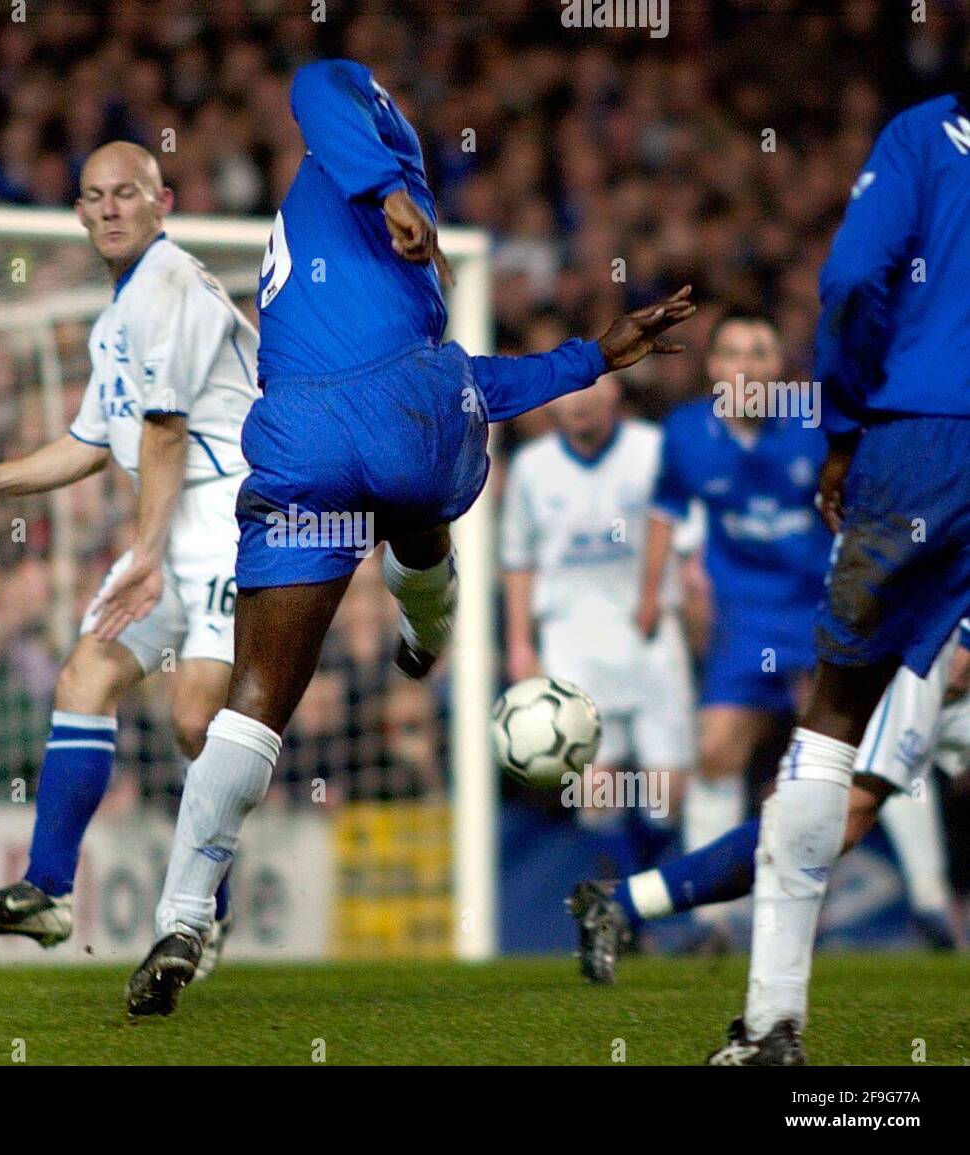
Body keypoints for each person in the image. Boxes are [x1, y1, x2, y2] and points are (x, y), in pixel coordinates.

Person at [123, 58, 694, 1016]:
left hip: (305, 432)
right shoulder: (399, 213)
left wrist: (390, 186)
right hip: (418, 413)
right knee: (422, 487)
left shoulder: (368, 165)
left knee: (251, 705)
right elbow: (476, 379)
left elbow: (311, 81)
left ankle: (184, 916)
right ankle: (429, 621)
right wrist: (595, 355)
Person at [0, 142, 256, 975]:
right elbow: (88, 441)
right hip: (167, 525)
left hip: (231, 517)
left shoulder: (172, 285)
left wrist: (145, 553)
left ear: (162, 202)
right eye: (94, 196)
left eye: (127, 195)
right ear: (78, 212)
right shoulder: (115, 317)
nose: (110, 208)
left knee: (195, 720)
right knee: (85, 676)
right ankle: (46, 890)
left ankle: (205, 908)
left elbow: (167, 430)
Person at [707, 85, 970, 1065]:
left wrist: (845, 426)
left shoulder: (919, 135)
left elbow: (855, 276)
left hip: (920, 446)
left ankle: (772, 1023)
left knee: (832, 724)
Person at [569, 620, 970, 983]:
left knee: (835, 811)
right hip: (911, 644)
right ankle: (633, 906)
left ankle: (627, 904)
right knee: (828, 816)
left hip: (922, 643)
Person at [637, 307, 833, 927]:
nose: (747, 367)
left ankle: (923, 904)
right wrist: (650, 594)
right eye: (734, 354)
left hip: (818, 610)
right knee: (716, 750)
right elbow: (665, 511)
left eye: (760, 353)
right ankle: (707, 922)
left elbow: (853, 508)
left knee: (830, 758)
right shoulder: (686, 432)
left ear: (780, 367)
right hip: (744, 617)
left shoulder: (815, 425)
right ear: (714, 366)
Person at [500, 374, 694, 856]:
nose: (581, 397)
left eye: (593, 385)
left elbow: (687, 539)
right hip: (573, 638)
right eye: (568, 388)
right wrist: (521, 644)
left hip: (648, 630)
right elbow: (518, 561)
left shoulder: (653, 449)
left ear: (615, 393)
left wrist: (684, 596)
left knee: (667, 793)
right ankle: (621, 909)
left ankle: (635, 895)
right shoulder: (531, 467)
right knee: (596, 789)